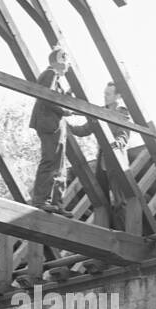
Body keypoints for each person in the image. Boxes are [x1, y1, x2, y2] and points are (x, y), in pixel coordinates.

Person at [28, 47, 87, 212]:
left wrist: (67, 97)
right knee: (50, 161)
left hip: (55, 124)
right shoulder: (50, 74)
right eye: (66, 62)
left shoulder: (55, 78)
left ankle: (57, 203)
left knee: (59, 166)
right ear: (60, 61)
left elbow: (55, 98)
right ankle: (41, 200)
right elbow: (48, 99)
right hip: (49, 123)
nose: (68, 66)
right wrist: (66, 110)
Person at [73, 80, 133, 229]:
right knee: (101, 198)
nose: (105, 97)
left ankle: (122, 231)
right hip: (102, 159)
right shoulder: (100, 111)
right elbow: (84, 130)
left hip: (116, 159)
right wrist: (67, 126)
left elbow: (124, 133)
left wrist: (118, 143)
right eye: (104, 94)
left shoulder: (122, 112)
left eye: (108, 94)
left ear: (117, 96)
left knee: (120, 200)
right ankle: (105, 229)